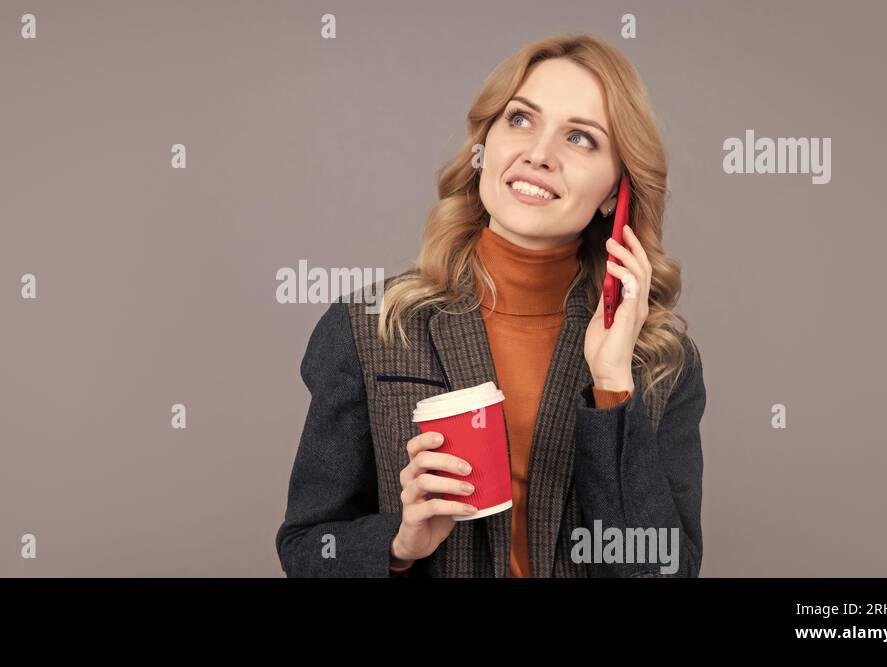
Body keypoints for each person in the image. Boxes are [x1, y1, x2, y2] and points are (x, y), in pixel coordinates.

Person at [276, 34, 706, 578]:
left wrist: (613, 381)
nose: (539, 154)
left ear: (613, 195)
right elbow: (307, 548)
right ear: (485, 145)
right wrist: (400, 543)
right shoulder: (370, 327)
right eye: (521, 119)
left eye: (580, 138)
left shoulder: (663, 361)